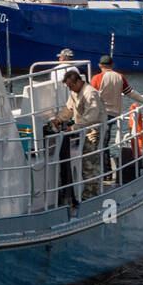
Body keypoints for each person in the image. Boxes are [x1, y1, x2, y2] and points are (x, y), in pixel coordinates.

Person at [49, 68, 107, 201]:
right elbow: (69, 108)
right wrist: (59, 119)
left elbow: (91, 117)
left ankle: (91, 195)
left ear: (78, 82)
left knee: (90, 163)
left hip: (94, 130)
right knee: (87, 162)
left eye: (70, 86)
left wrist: (73, 128)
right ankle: (87, 193)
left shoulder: (90, 93)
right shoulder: (75, 93)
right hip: (84, 129)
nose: (69, 89)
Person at [91, 54, 143, 175]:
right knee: (105, 141)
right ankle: (106, 170)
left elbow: (91, 97)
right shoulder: (119, 77)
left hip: (101, 115)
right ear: (112, 65)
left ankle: (105, 171)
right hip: (114, 114)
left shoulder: (96, 78)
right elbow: (130, 92)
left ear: (100, 65)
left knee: (101, 142)